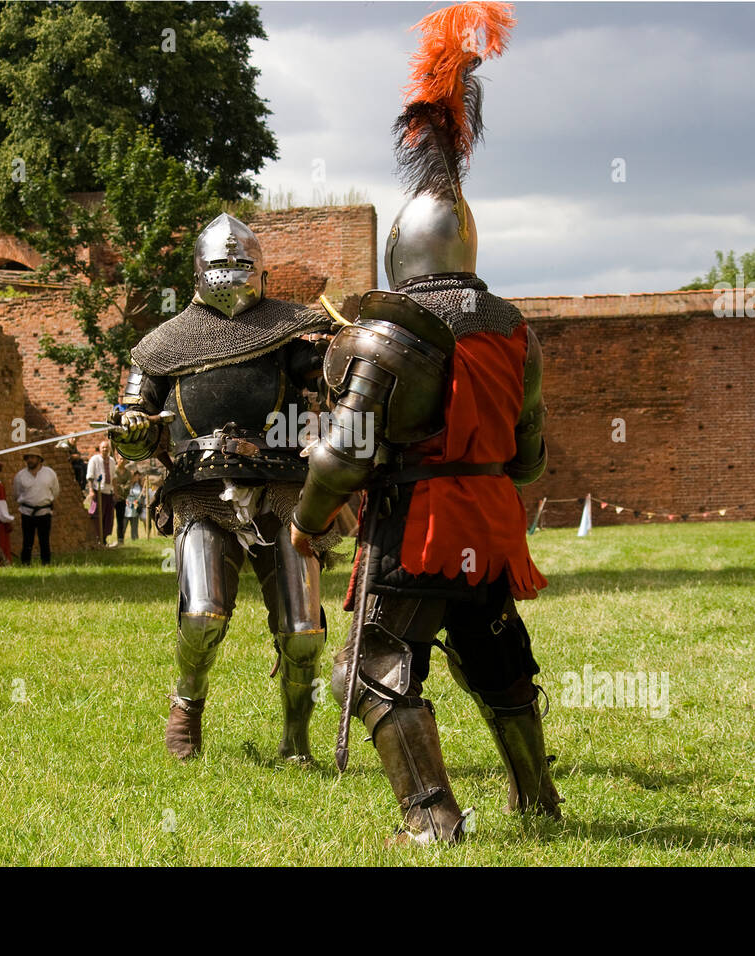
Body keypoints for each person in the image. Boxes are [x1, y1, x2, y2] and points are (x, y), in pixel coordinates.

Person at [290, 2, 560, 845]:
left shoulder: (390, 330)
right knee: (497, 665)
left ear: (403, 254)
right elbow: (528, 457)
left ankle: (431, 819)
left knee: (368, 675)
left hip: (417, 528)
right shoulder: (514, 326)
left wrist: (307, 523)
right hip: (490, 523)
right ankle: (539, 802)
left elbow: (343, 452)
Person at [112, 211, 337, 763]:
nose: (233, 274)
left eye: (243, 264)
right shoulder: (162, 344)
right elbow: (131, 427)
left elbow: (333, 374)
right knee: (203, 612)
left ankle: (296, 741)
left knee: (304, 628)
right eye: (222, 264)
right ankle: (187, 704)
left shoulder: (287, 328)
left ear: (261, 270)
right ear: (199, 271)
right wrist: (135, 428)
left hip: (282, 484)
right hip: (201, 487)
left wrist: (342, 347)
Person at [13, 451, 58, 565]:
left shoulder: (49, 473)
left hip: (44, 511)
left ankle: (46, 563)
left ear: (39, 459)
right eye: (28, 458)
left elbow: (55, 491)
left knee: (44, 540)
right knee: (27, 541)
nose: (30, 460)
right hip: (27, 512)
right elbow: (17, 494)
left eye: (32, 457)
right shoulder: (20, 475)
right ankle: (26, 563)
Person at [85, 439, 115, 546]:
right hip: (97, 491)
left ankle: (104, 538)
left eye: (107, 448)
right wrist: (91, 490)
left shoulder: (112, 461)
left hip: (109, 491)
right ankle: (96, 537)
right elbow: (90, 476)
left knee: (108, 516)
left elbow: (113, 477)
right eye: (103, 447)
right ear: (100, 448)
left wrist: (114, 490)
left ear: (109, 449)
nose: (105, 449)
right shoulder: (94, 460)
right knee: (95, 514)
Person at [111, 453, 132, 546]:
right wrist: (117, 490)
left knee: (120, 520)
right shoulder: (113, 470)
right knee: (109, 518)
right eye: (120, 459)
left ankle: (120, 539)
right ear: (117, 459)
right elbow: (112, 483)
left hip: (122, 499)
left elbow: (128, 486)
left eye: (124, 459)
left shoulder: (128, 473)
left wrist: (119, 488)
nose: (122, 461)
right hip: (112, 497)